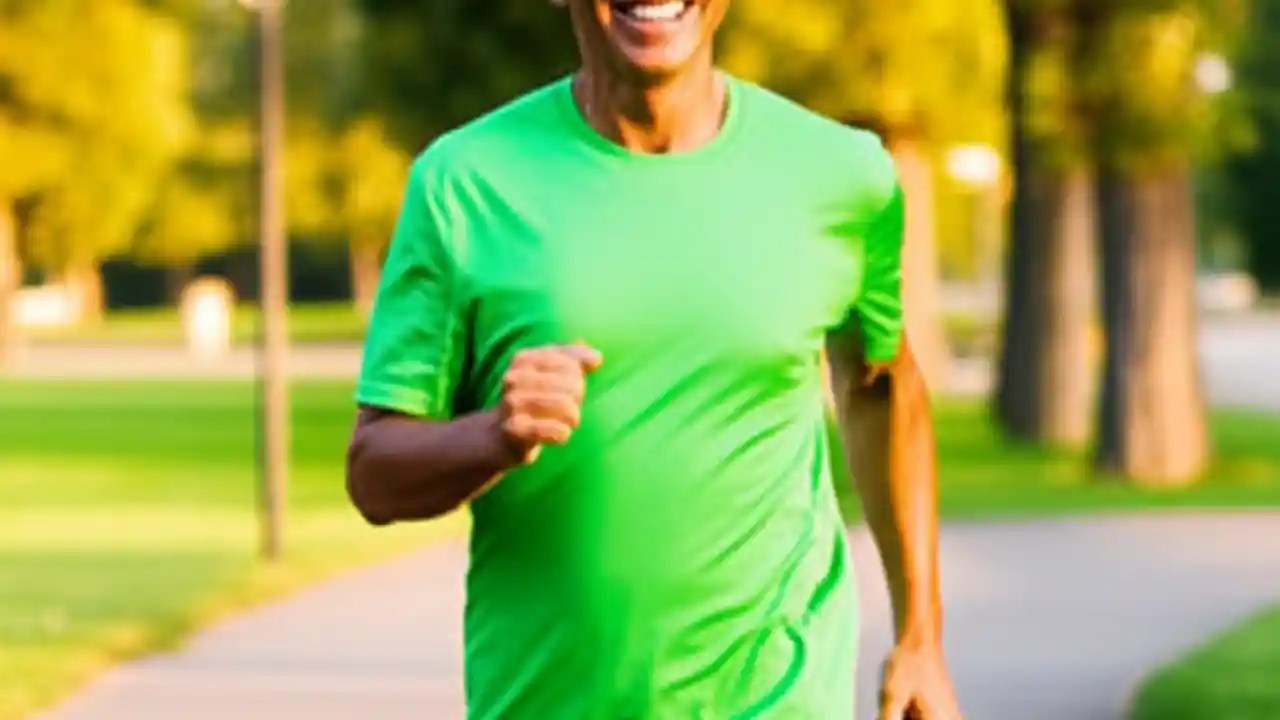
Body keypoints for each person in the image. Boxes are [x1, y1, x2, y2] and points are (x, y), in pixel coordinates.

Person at [345, 1, 964, 718]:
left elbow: (880, 385)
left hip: (778, 694)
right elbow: (375, 475)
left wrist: (922, 635)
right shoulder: (465, 184)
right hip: (549, 700)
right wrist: (492, 437)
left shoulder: (840, 175)